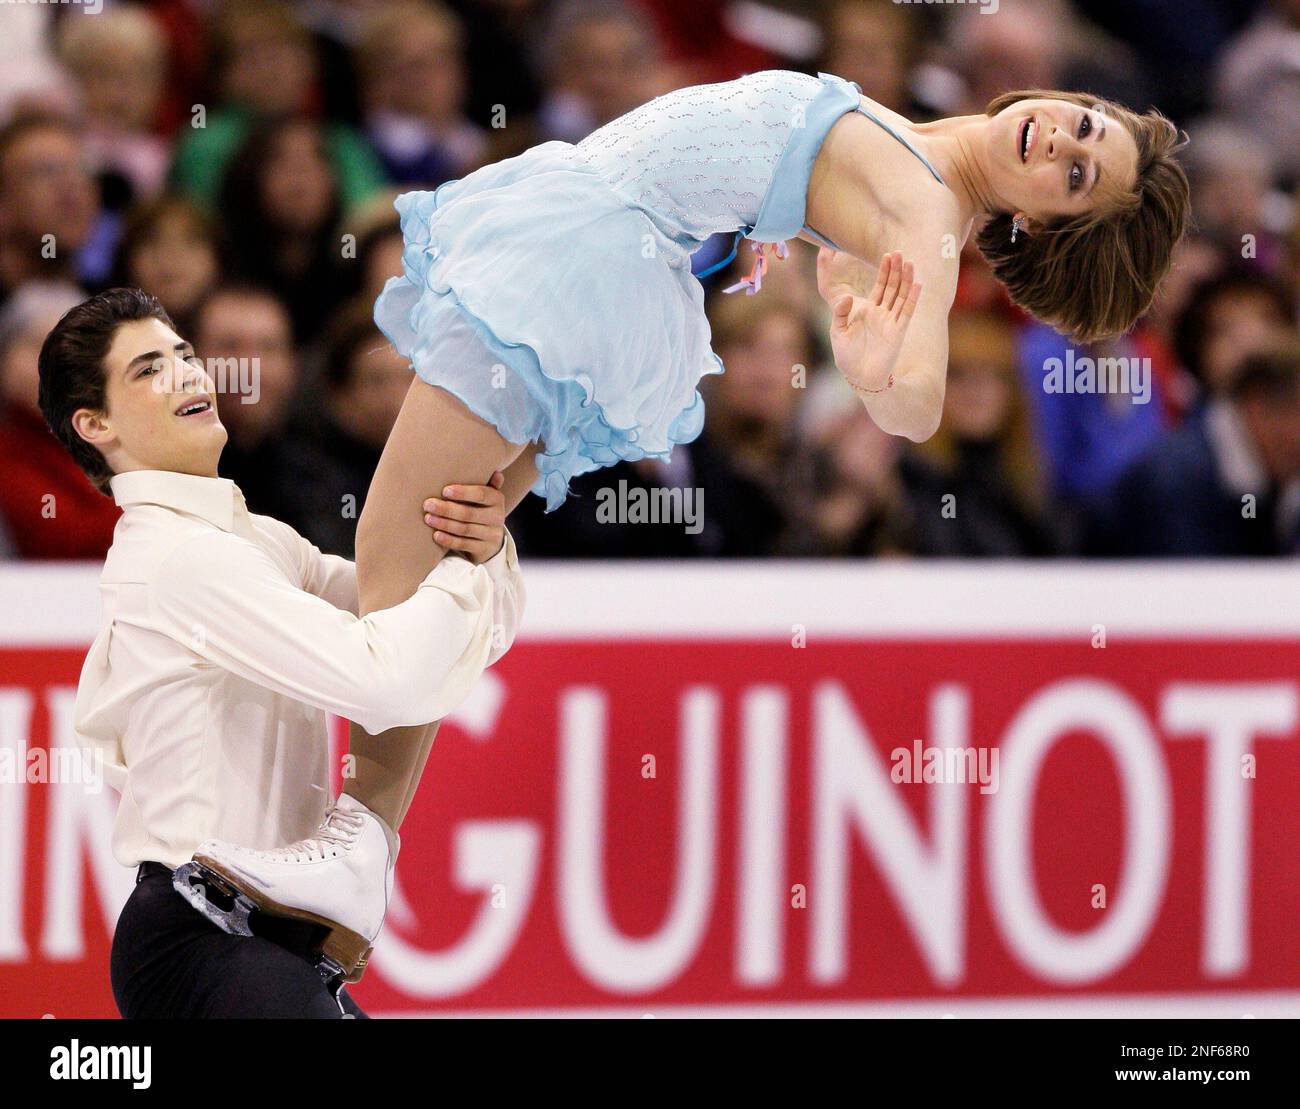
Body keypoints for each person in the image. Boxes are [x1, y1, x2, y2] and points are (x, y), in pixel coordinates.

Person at [197, 67, 1191, 950]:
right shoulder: (918, 151)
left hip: (579, 259)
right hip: (601, 251)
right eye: (1086, 127)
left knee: (397, 543)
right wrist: (754, 232)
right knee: (432, 549)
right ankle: (353, 863)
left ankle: (357, 844)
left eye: (1073, 177)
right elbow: (774, 168)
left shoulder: (927, 208)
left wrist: (869, 363)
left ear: (1040, 223)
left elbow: (916, 399)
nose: (1061, 140)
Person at [37, 287, 525, 1014]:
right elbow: (385, 680)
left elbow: (443, 629)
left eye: (184, 355)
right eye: (147, 370)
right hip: (202, 937)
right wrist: (458, 569)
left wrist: (481, 546)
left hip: (272, 940)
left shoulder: (257, 540)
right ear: (95, 423)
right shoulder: (177, 557)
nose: (188, 375)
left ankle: (359, 852)